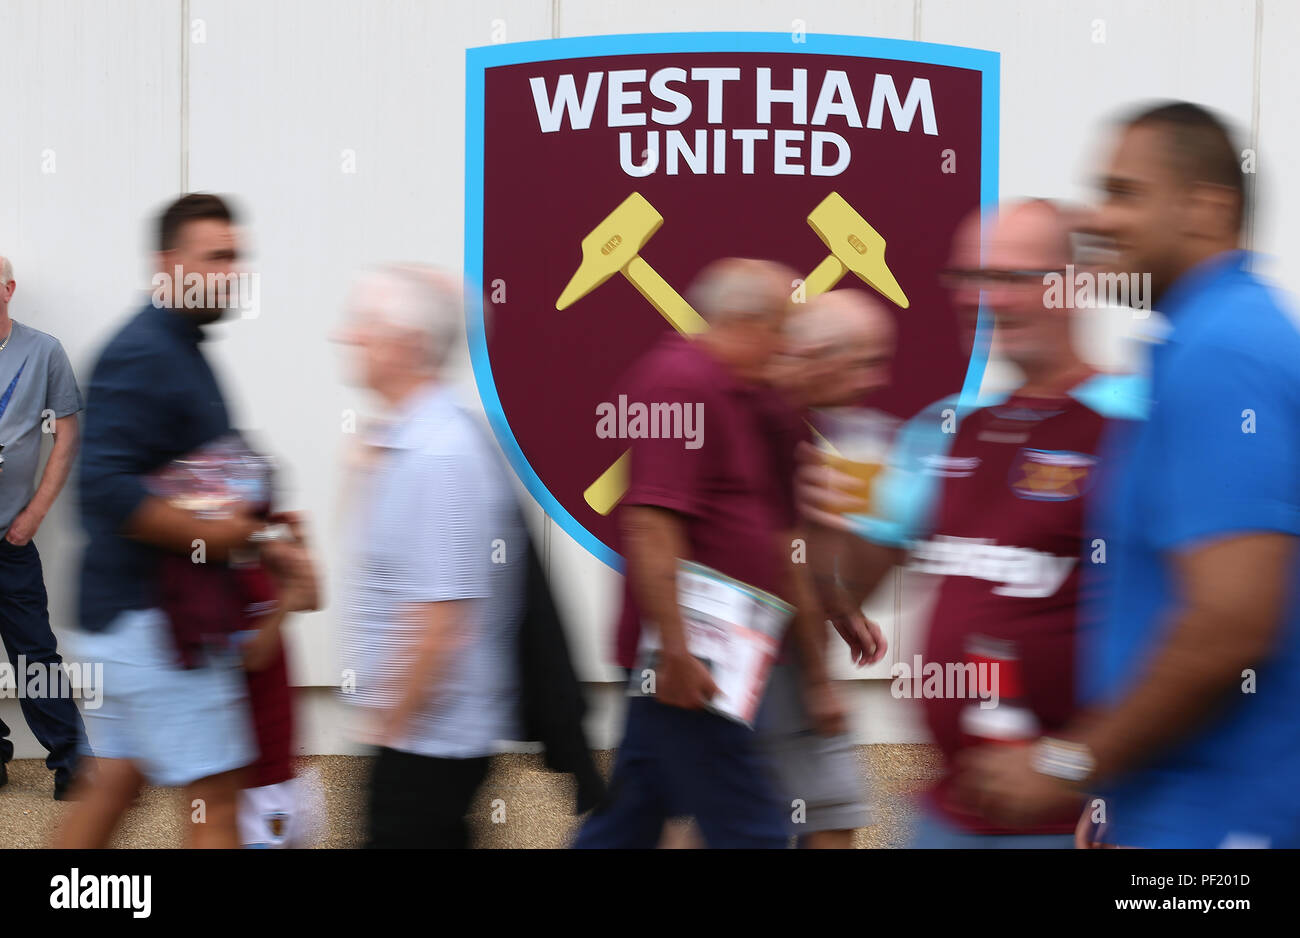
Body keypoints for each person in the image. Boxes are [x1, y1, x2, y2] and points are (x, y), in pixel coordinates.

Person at [966, 102, 1300, 849]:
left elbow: (1230, 626)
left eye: (1124, 193)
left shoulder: (1226, 354)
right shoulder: (1211, 339)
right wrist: (1120, 784)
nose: (1098, 217)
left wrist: (1070, 763)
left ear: (1206, 209)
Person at [800, 199, 1145, 847]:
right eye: (970, 278)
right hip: (949, 814)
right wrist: (815, 522)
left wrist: (1084, 771)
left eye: (1013, 278)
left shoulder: (1139, 419)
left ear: (1075, 284)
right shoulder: (946, 428)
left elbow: (1204, 628)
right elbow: (847, 596)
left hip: (1088, 820)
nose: (986, 299)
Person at [55, 193, 317, 848]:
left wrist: (260, 532)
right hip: (158, 627)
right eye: (216, 258)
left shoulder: (181, 348)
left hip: (128, 624)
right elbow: (104, 490)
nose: (232, 273)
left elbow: (209, 473)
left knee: (112, 784)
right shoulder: (145, 352)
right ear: (167, 263)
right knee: (217, 804)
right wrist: (225, 537)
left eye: (237, 259)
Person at [574, 258, 840, 850]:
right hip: (695, 661)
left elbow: (780, 528)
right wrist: (676, 650)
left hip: (716, 656)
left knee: (629, 821)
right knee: (753, 830)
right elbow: (652, 525)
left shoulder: (741, 394)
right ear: (747, 323)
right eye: (782, 331)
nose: (787, 348)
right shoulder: (680, 384)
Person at [335, 265, 527, 849]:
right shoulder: (407, 441)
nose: (347, 337)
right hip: (421, 733)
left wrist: (393, 727)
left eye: (366, 324)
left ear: (408, 345)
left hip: (429, 739)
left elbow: (444, 620)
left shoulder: (438, 455)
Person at [758, 288, 895, 848]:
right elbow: (781, 557)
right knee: (828, 814)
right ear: (817, 353)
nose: (876, 380)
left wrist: (838, 603)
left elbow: (795, 548)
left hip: (770, 655)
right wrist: (819, 685)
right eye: (865, 361)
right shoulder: (771, 422)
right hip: (765, 661)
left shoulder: (791, 424)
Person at [0, 254, 87, 800]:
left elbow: (68, 435)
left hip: (11, 536)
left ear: (7, 289)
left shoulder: (42, 351)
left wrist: (35, 514)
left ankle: (73, 762)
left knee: (35, 653)